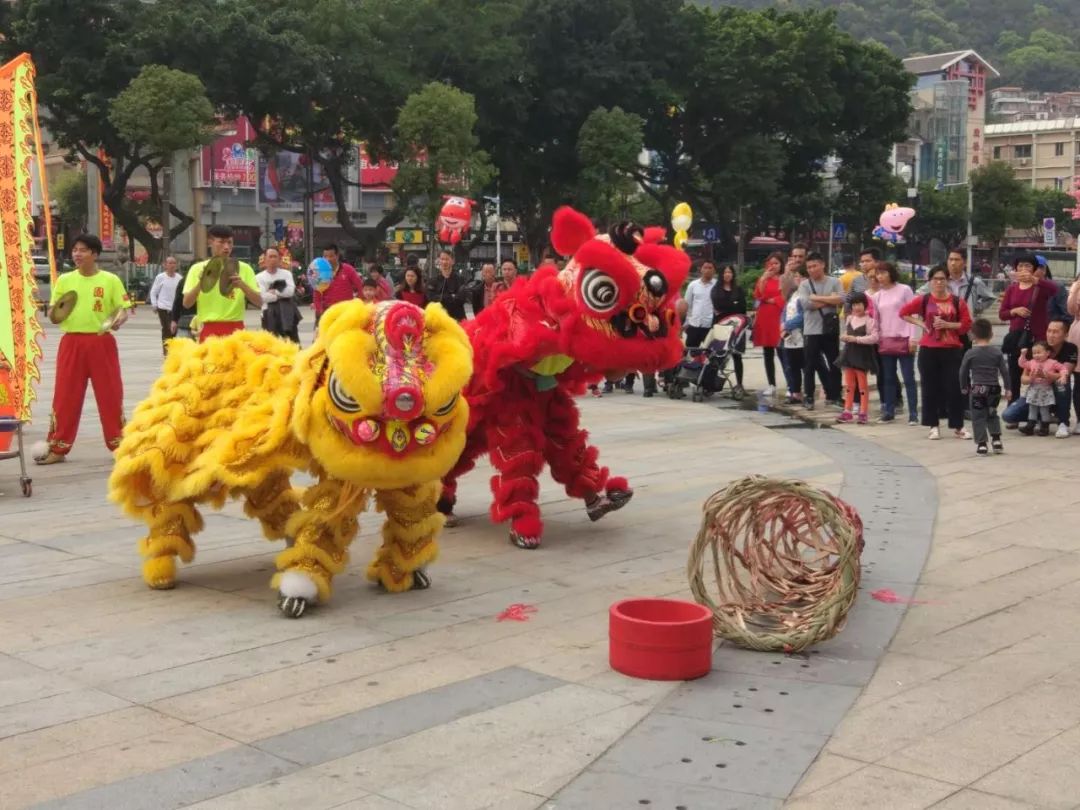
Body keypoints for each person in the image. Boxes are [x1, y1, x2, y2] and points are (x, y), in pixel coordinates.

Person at [35, 233, 132, 465]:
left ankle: (120, 445)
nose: (77, 254)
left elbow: (123, 309)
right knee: (66, 395)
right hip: (72, 343)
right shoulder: (65, 280)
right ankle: (58, 446)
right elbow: (54, 315)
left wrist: (119, 319)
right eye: (75, 250)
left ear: (94, 254)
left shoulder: (110, 280)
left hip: (102, 342)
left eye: (83, 250)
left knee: (110, 394)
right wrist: (56, 313)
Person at [901, 264, 972, 440]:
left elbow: (966, 324)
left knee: (953, 388)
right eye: (935, 279)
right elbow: (903, 312)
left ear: (947, 281)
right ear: (930, 281)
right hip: (928, 349)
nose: (939, 282)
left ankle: (958, 425)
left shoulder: (957, 301)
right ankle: (933, 425)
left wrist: (949, 325)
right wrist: (921, 324)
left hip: (952, 349)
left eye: (942, 279)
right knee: (929, 388)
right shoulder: (924, 300)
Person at [181, 225, 261, 342]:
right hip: (208, 329)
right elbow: (187, 303)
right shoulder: (197, 269)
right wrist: (201, 283)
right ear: (210, 242)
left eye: (230, 243)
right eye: (221, 242)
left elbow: (259, 302)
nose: (226, 247)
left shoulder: (245, 269)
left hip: (236, 329)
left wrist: (242, 285)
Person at [999, 253, 1058, 403]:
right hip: (1017, 337)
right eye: (1020, 266)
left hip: (1038, 338)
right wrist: (1014, 311)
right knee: (1015, 373)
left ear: (1034, 269)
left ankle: (1041, 411)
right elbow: (1002, 314)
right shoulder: (1012, 288)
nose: (1023, 269)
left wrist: (1037, 281)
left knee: (1041, 374)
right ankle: (1013, 410)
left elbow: (1055, 290)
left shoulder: (1041, 286)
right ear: (1016, 268)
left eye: (1028, 266)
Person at [871, 261, 918, 424]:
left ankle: (913, 414)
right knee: (888, 378)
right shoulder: (877, 296)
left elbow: (913, 314)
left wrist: (913, 338)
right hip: (886, 340)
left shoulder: (904, 290)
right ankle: (889, 411)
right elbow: (876, 320)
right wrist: (876, 338)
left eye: (883, 273)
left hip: (904, 339)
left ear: (891, 273)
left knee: (908, 378)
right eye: (878, 273)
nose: (880, 276)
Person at [797, 252, 844, 409]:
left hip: (830, 329)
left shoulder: (835, 281)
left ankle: (836, 395)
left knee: (834, 363)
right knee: (809, 365)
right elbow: (806, 304)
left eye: (814, 266)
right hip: (811, 330)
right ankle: (809, 396)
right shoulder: (804, 285)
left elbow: (840, 299)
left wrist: (816, 298)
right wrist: (828, 299)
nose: (811, 269)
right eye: (809, 267)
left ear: (823, 264)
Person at [959, 318, 1010, 456]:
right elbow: (1004, 372)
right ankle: (996, 439)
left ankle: (982, 444)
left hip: (977, 389)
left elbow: (963, 371)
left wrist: (964, 387)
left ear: (973, 335)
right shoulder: (996, 353)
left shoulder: (970, 353)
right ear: (991, 334)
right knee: (992, 413)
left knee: (978, 416)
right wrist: (1008, 388)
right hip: (994, 388)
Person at [918, 248, 995, 329]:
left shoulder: (974, 282)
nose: (953, 263)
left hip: (964, 329)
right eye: (950, 259)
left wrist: (975, 308)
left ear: (965, 262)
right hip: (940, 330)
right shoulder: (938, 280)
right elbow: (918, 295)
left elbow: (990, 298)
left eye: (957, 260)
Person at [836, 292, 878, 424]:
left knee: (863, 386)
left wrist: (856, 339)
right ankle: (847, 411)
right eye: (854, 304)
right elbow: (845, 333)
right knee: (849, 385)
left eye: (859, 304)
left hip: (862, 355)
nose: (856, 307)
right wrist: (844, 336)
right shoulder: (849, 319)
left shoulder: (870, 320)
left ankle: (863, 412)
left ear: (865, 305)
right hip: (849, 354)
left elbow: (874, 338)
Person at [1017, 341, 1065, 436]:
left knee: (1044, 410)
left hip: (1045, 390)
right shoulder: (1031, 362)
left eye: (1039, 352)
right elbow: (1022, 364)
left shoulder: (1052, 362)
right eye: (1034, 353)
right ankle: (1030, 426)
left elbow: (1063, 368)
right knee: (1032, 408)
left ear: (1047, 353)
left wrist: (1063, 376)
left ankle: (1044, 427)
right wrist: (1023, 354)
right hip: (1033, 389)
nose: (1036, 355)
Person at [751, 253, 784, 393]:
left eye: (776, 263)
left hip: (780, 316)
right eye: (771, 263)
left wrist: (774, 300)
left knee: (783, 351)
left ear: (781, 265)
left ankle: (792, 384)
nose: (773, 266)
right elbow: (759, 295)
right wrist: (763, 279)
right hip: (765, 316)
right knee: (768, 352)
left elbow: (786, 296)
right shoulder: (763, 278)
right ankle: (771, 384)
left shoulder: (784, 279)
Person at [255, 247, 300, 343]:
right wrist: (280, 295)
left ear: (280, 259)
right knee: (270, 345)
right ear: (265, 259)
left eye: (275, 257)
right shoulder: (259, 277)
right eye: (270, 256)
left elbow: (290, 292)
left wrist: (274, 292)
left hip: (287, 314)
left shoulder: (287, 274)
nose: (273, 259)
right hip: (268, 314)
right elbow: (263, 297)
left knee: (291, 343)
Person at [313, 243, 364, 325]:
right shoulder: (320, 273)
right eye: (325, 256)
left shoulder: (348, 269)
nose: (328, 259)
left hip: (345, 312)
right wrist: (320, 311)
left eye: (331, 256)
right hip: (327, 312)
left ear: (337, 256)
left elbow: (360, 287)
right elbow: (316, 295)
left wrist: (356, 304)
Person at [148, 255, 182, 355]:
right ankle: (167, 353)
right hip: (163, 308)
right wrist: (154, 305)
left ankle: (174, 351)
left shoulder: (179, 278)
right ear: (165, 265)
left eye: (174, 263)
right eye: (170, 263)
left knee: (175, 331)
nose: (172, 265)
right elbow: (154, 292)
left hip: (175, 309)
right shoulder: (160, 277)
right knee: (167, 330)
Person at [683, 261, 718, 348]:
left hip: (710, 325)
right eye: (705, 267)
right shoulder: (693, 285)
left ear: (714, 271)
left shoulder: (718, 285)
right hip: (694, 324)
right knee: (691, 352)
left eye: (710, 268)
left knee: (712, 352)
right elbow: (687, 304)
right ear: (701, 270)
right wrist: (687, 322)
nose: (707, 270)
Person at [427, 249, 467, 320]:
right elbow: (432, 299)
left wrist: (441, 298)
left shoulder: (460, 279)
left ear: (453, 261)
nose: (444, 262)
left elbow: (461, 299)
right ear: (439, 261)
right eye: (442, 259)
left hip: (457, 319)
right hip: (439, 320)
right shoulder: (432, 281)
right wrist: (451, 296)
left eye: (447, 259)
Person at [780, 288, 804, 405]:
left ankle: (809, 393)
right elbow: (784, 312)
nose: (798, 279)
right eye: (796, 276)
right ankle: (795, 393)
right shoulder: (792, 293)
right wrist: (783, 325)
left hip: (801, 335)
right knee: (792, 366)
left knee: (806, 366)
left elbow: (803, 316)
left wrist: (787, 325)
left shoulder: (806, 293)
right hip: (789, 336)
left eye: (800, 276)